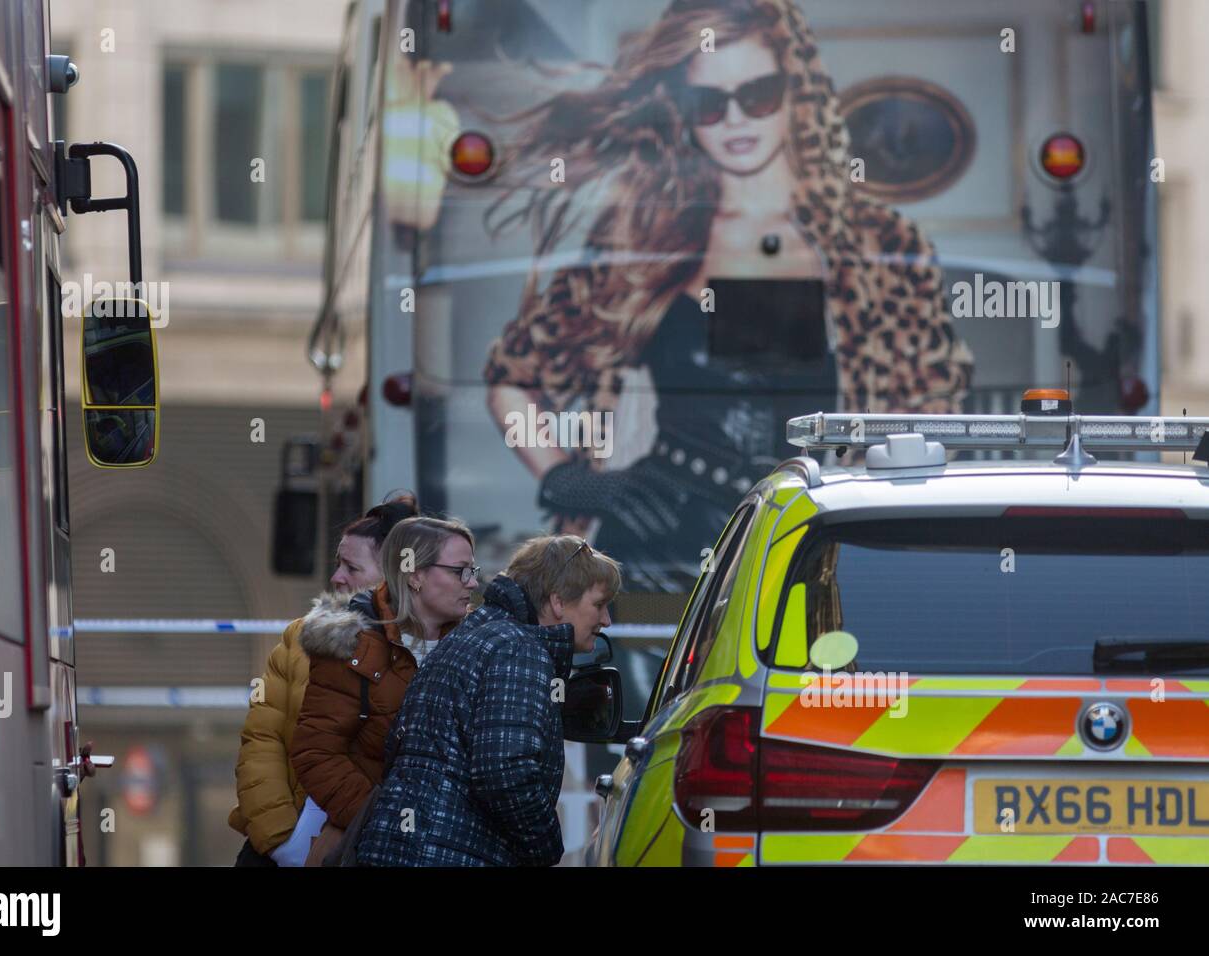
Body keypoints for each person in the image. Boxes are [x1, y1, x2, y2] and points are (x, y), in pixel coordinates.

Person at [483, 0, 973, 590]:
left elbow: (934, 408)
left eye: (759, 94)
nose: (736, 119)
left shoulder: (879, 244)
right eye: (709, 104)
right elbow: (512, 377)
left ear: (797, 92)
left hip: (809, 539)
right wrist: (571, 479)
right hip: (656, 548)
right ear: (684, 115)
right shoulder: (646, 235)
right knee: (652, 681)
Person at [355, 534, 620, 867]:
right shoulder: (519, 651)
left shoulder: (474, 635)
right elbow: (504, 771)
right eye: (598, 604)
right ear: (557, 601)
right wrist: (547, 848)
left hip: (400, 847)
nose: (606, 619)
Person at [228, 493, 418, 867]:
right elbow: (261, 742)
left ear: (393, 577)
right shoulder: (300, 638)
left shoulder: (423, 649)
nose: (336, 578)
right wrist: (283, 839)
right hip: (283, 841)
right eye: (337, 564)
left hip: (368, 844)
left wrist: (374, 828)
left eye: (351, 567)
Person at [289, 516, 479, 856]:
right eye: (460, 570)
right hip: (372, 847)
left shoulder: (479, 647)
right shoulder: (350, 643)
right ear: (416, 575)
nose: (472, 583)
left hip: (458, 848)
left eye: (473, 570)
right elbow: (315, 753)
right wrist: (383, 820)